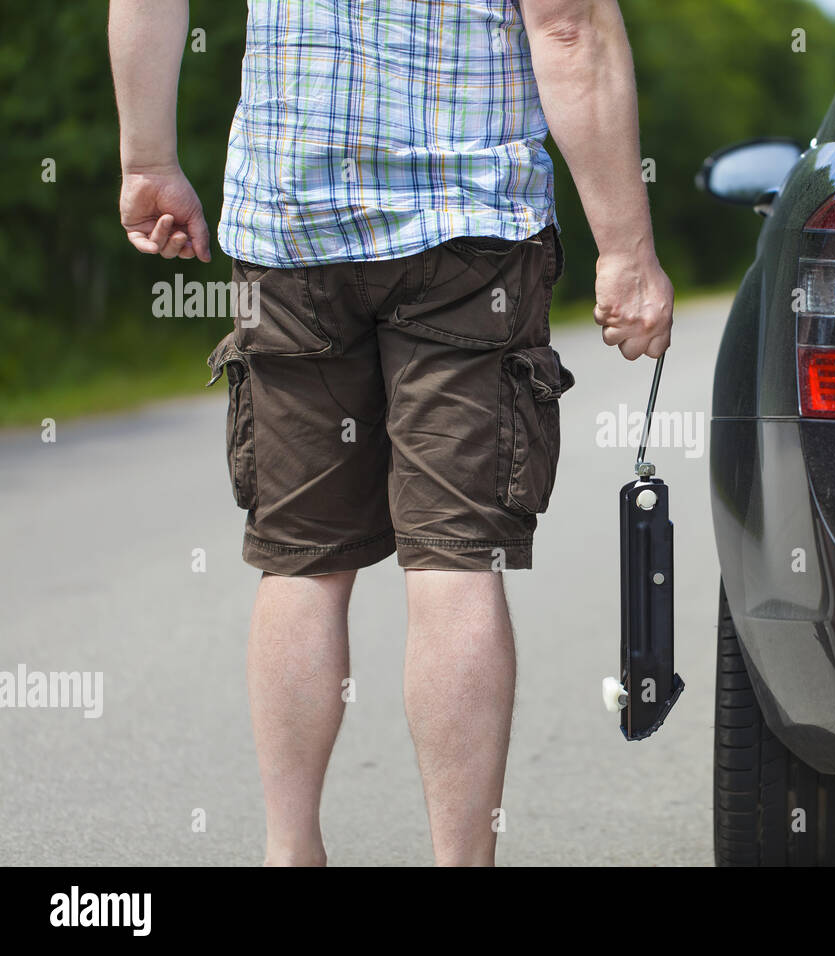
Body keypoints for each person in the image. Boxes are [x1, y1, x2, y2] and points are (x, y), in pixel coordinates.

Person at [109, 0, 673, 866]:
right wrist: (625, 248)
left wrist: (147, 157)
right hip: (470, 228)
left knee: (300, 558)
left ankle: (290, 853)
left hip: (291, 213)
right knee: (454, 561)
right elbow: (569, 23)